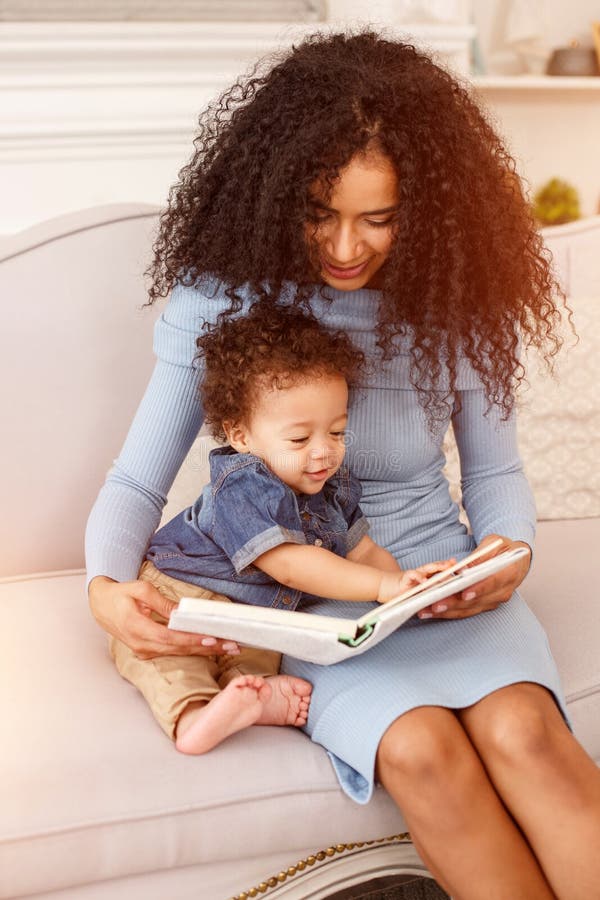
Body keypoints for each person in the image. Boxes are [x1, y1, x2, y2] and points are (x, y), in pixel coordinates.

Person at [86, 30, 600, 899]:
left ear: (425, 209)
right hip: (309, 608)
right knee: (421, 750)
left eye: (379, 218)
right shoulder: (220, 299)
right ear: (278, 189)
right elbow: (138, 480)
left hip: (438, 570)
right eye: (319, 212)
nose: (346, 246)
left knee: (528, 736)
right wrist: (104, 588)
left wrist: (507, 556)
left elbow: (498, 477)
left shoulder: (455, 298)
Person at [112, 305, 448, 755]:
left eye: (337, 431)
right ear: (241, 435)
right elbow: (289, 565)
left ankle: (251, 698)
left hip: (249, 613)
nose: (324, 452)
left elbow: (363, 552)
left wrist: (407, 589)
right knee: (168, 659)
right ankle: (193, 720)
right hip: (181, 595)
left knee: (259, 659)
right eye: (299, 439)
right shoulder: (243, 483)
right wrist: (383, 586)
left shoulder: (332, 487)